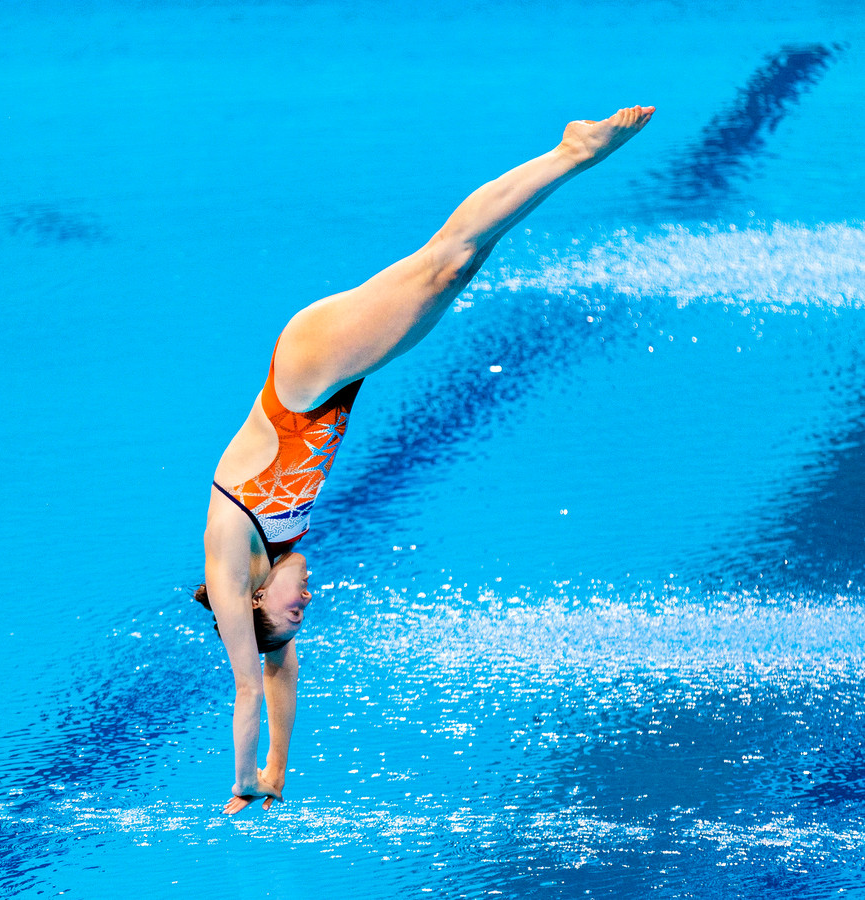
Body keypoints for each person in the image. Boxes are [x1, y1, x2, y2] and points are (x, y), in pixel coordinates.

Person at [198, 106, 655, 815]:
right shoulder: (276, 560)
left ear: (255, 604)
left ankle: (574, 150)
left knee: (443, 261)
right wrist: (278, 773)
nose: (306, 602)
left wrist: (238, 782)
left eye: (292, 612)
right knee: (454, 269)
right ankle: (569, 155)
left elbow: (250, 685)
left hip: (302, 378)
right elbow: (281, 672)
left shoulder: (230, 567)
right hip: (327, 388)